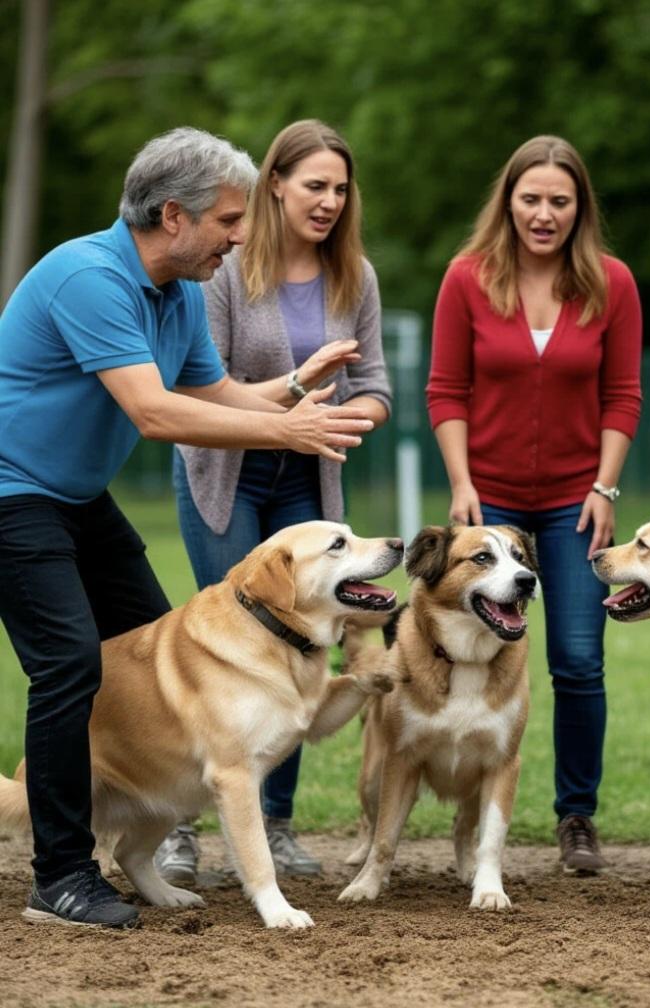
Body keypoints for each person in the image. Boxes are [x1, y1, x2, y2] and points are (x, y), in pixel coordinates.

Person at [0, 127, 376, 929]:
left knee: (149, 647)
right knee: (70, 663)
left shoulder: (173, 296)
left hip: (74, 494)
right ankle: (59, 876)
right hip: (11, 493)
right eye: (229, 221)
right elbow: (155, 411)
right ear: (174, 215)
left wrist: (293, 390)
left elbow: (218, 393)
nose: (241, 237)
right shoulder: (89, 277)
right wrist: (291, 434)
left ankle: (138, 843)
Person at [155, 120, 391, 886]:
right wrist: (295, 401)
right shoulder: (225, 271)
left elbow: (377, 387)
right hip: (224, 474)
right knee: (228, 647)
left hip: (306, 484)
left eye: (339, 189)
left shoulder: (354, 276)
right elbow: (203, 385)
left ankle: (276, 824)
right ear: (276, 186)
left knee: (302, 647)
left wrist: (355, 415)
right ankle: (180, 826)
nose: (328, 201)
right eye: (314, 185)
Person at [426, 135, 642, 874]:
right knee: (461, 652)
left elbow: (622, 395)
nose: (543, 214)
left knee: (577, 661)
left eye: (559, 201)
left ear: (579, 208)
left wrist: (604, 487)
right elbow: (445, 390)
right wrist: (460, 484)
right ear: (508, 201)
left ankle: (575, 816)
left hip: (574, 505)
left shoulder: (610, 283)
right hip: (487, 503)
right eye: (530, 199)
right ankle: (462, 800)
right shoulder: (465, 279)